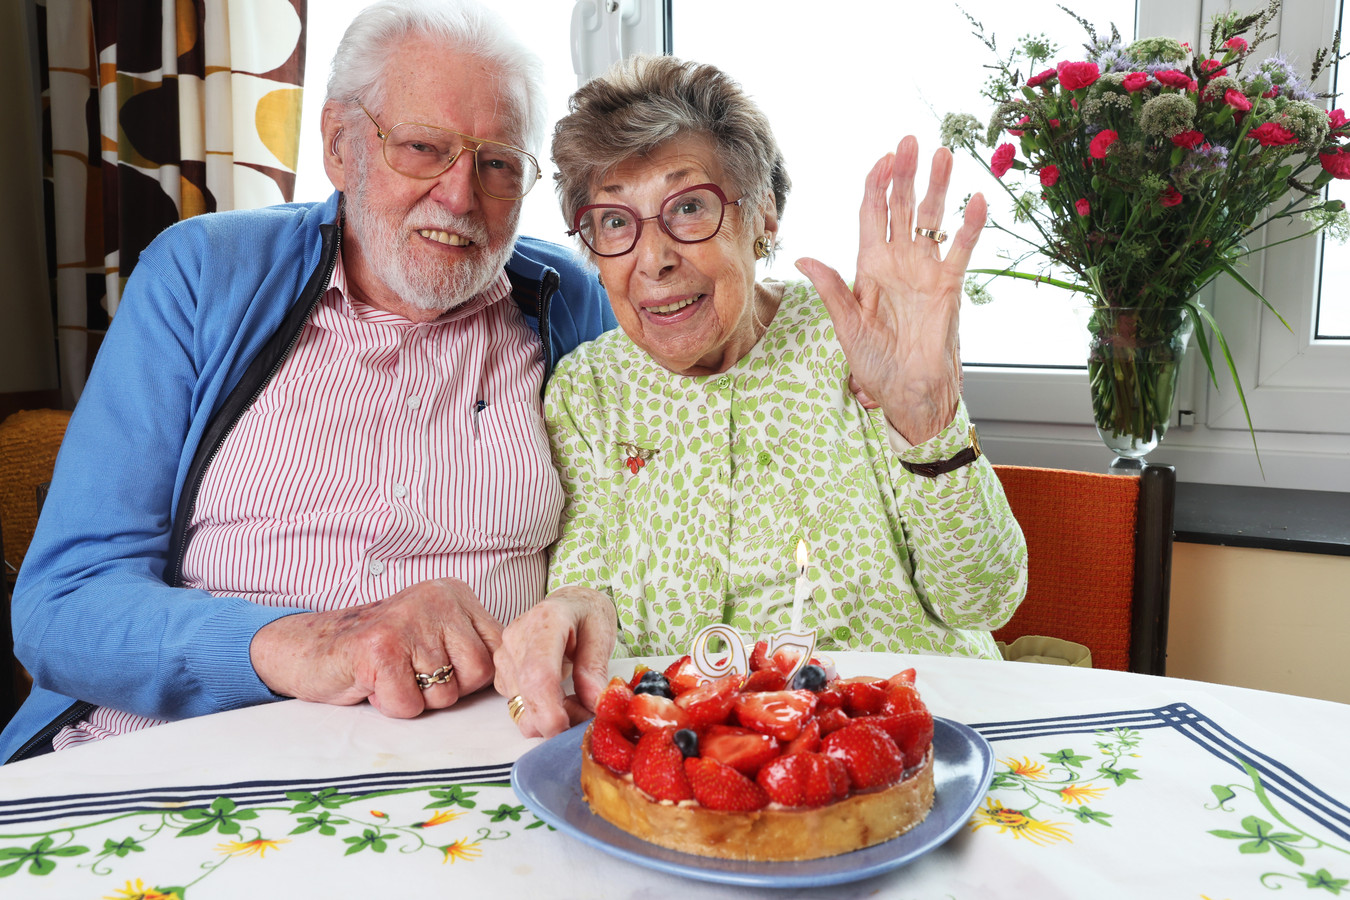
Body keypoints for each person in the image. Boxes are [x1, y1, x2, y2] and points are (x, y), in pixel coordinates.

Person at [0, 0, 618, 764]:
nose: (460, 198)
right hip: (178, 751)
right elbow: (62, 607)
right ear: (338, 144)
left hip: (466, 768)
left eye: (496, 164)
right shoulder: (202, 274)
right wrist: (308, 644)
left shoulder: (569, 303)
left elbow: (633, 525)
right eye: (423, 147)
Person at [493, 56, 1028, 735]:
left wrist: (926, 419)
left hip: (910, 733)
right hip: (710, 770)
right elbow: (590, 594)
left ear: (764, 217)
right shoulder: (589, 391)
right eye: (615, 222)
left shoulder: (858, 340)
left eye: (689, 207)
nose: (652, 258)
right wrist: (562, 618)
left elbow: (984, 600)